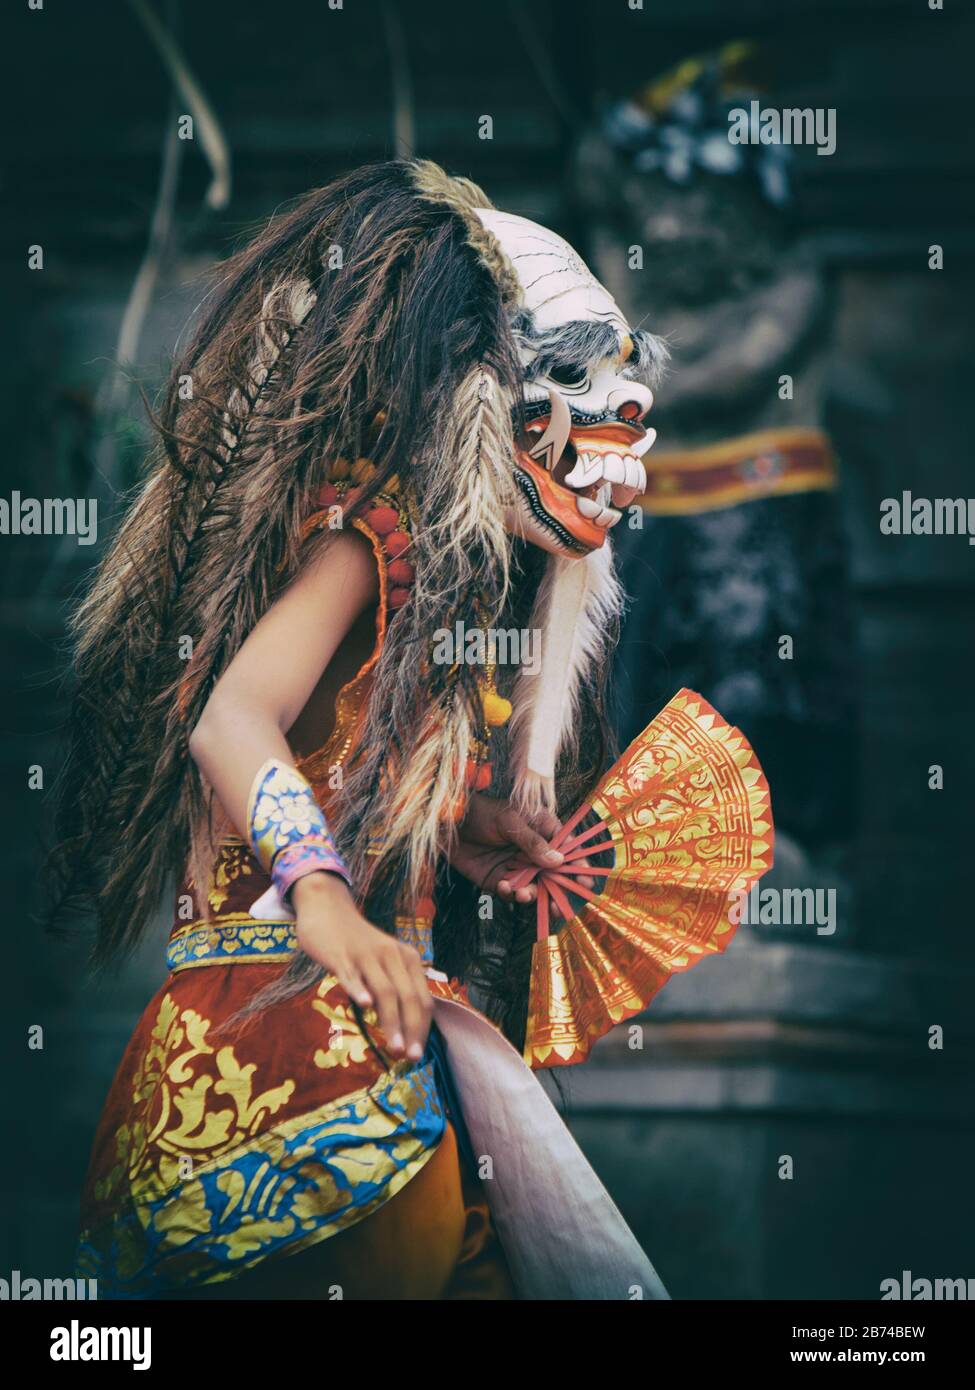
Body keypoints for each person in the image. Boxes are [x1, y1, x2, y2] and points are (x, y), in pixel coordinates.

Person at [52, 159, 669, 1300]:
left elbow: (331, 763)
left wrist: (457, 824)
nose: (621, 475)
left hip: (371, 1042)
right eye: (592, 421)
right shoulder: (367, 529)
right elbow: (233, 719)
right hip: (278, 1048)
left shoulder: (445, 580)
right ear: (504, 405)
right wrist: (324, 899)